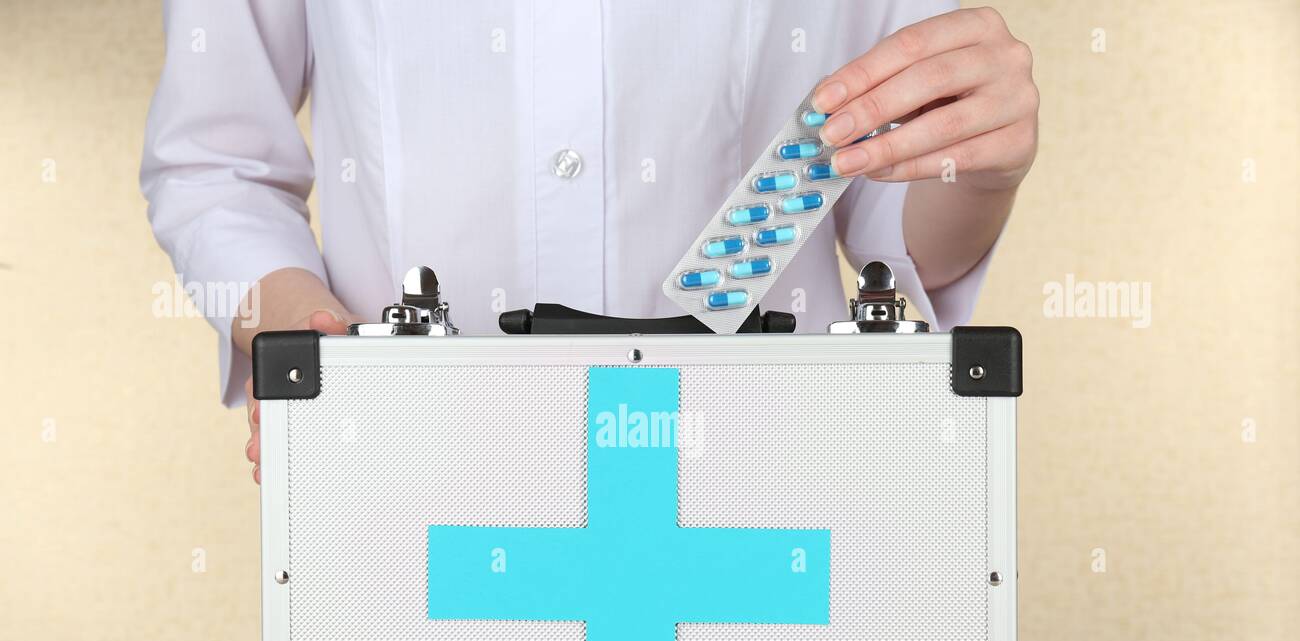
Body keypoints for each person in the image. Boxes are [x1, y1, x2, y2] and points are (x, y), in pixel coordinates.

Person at [141, 1, 1038, 483]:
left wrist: (979, 166)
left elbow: (904, 249)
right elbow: (215, 163)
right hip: (420, 481)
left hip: (756, 487)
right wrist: (302, 332)